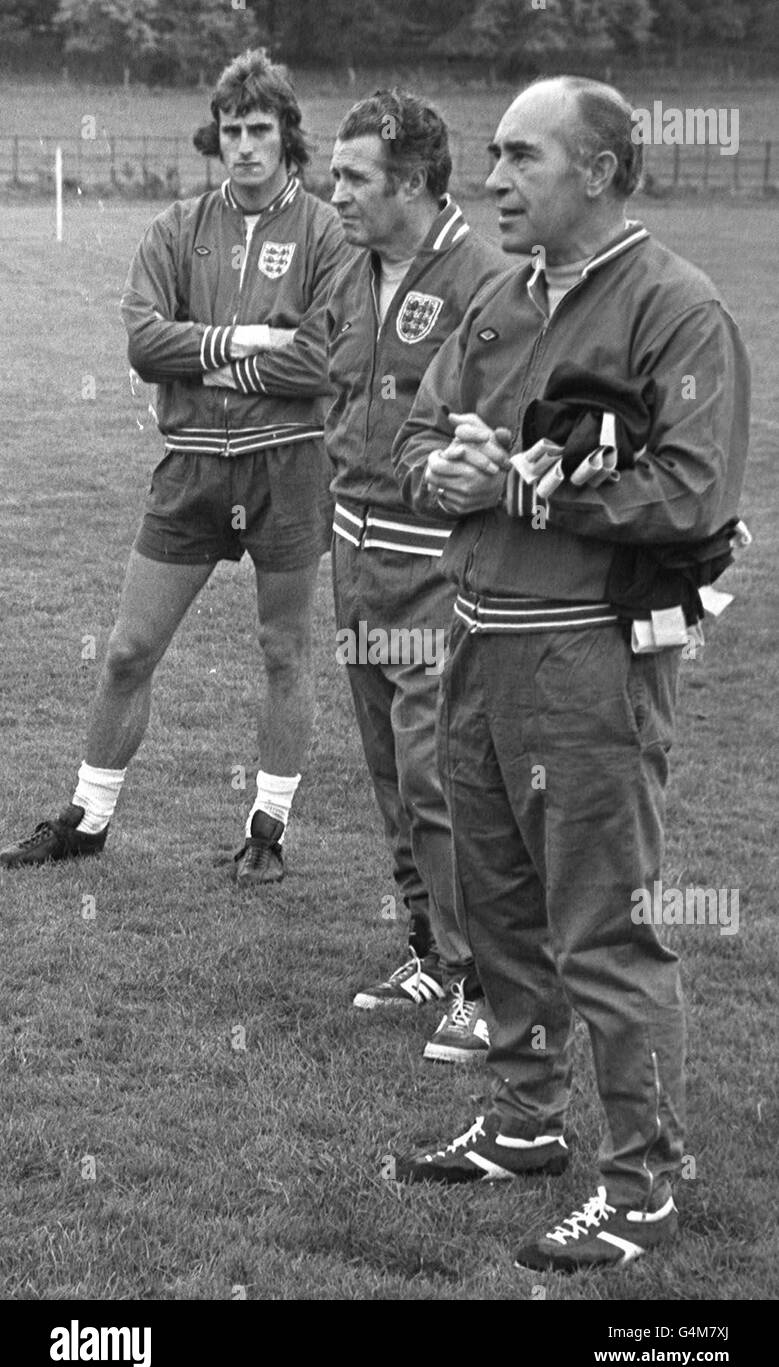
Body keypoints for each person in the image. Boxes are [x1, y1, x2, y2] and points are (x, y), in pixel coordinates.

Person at [390, 76, 750, 1269]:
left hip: (587, 657)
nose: (491, 178)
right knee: (493, 905)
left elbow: (693, 493)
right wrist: (441, 463)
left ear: (594, 172)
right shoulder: (498, 294)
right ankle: (522, 1120)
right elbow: (417, 423)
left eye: (520, 158)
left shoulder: (673, 305)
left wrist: (516, 485)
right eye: (492, 155)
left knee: (603, 927)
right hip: (476, 637)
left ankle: (642, 1182)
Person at [0, 49, 350, 885]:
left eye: (260, 129)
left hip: (288, 468)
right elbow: (141, 341)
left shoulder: (327, 231)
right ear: (216, 136)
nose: (244, 147)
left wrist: (199, 358)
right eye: (231, 131)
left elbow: (322, 362)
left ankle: (266, 830)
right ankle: (87, 820)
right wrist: (249, 341)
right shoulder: (178, 227)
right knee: (127, 649)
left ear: (286, 135)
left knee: (281, 650)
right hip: (191, 467)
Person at [326, 91, 507, 1061]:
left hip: (433, 566)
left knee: (439, 777)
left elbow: (503, 425)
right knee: (389, 773)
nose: (335, 190)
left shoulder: (486, 282)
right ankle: (427, 949)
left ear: (411, 182)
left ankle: (485, 980)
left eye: (354, 176)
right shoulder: (346, 271)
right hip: (351, 560)